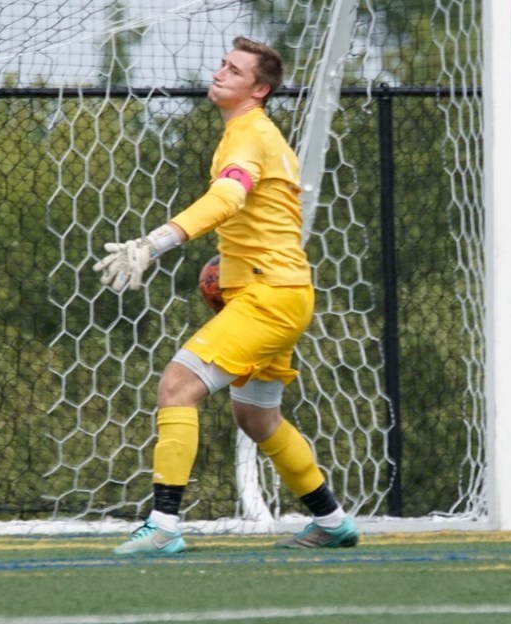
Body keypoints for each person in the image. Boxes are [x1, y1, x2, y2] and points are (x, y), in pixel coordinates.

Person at [93, 36, 358, 555]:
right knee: (256, 418)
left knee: (177, 386)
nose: (220, 74)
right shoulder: (255, 132)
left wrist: (154, 243)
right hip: (281, 293)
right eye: (222, 65)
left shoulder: (248, 134)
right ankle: (331, 521)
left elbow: (229, 197)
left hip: (270, 296)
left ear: (258, 89)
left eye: (234, 71)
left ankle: (164, 526)